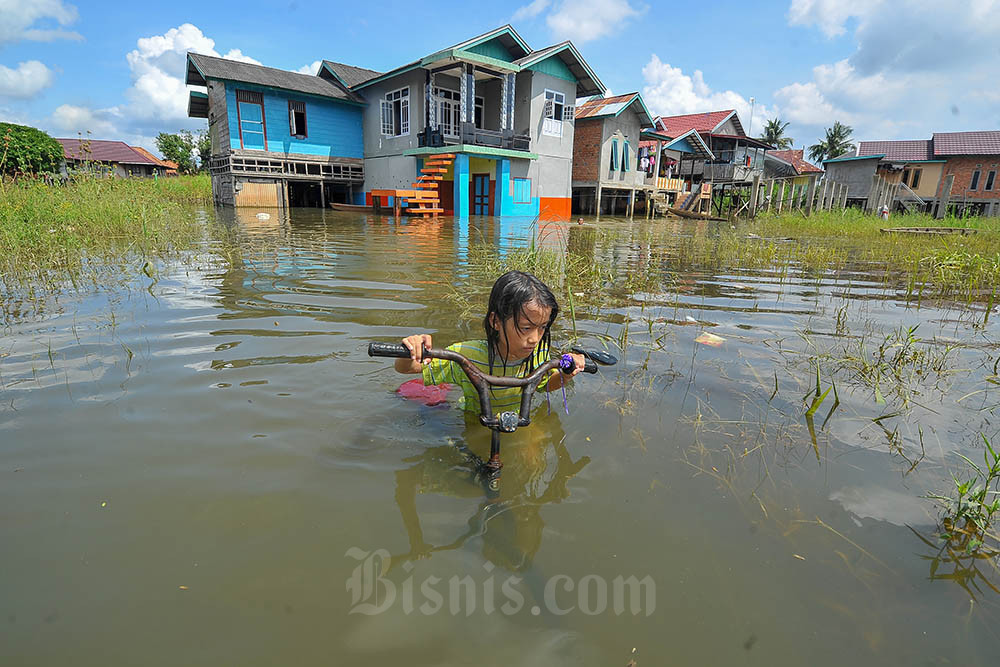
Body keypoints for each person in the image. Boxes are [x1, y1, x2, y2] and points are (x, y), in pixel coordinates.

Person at [394, 270, 585, 413]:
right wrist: (412, 348)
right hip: (476, 420)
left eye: (542, 327)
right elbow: (406, 368)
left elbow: (544, 386)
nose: (535, 338)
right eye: (526, 328)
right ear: (496, 321)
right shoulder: (466, 355)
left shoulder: (539, 354)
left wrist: (566, 374)